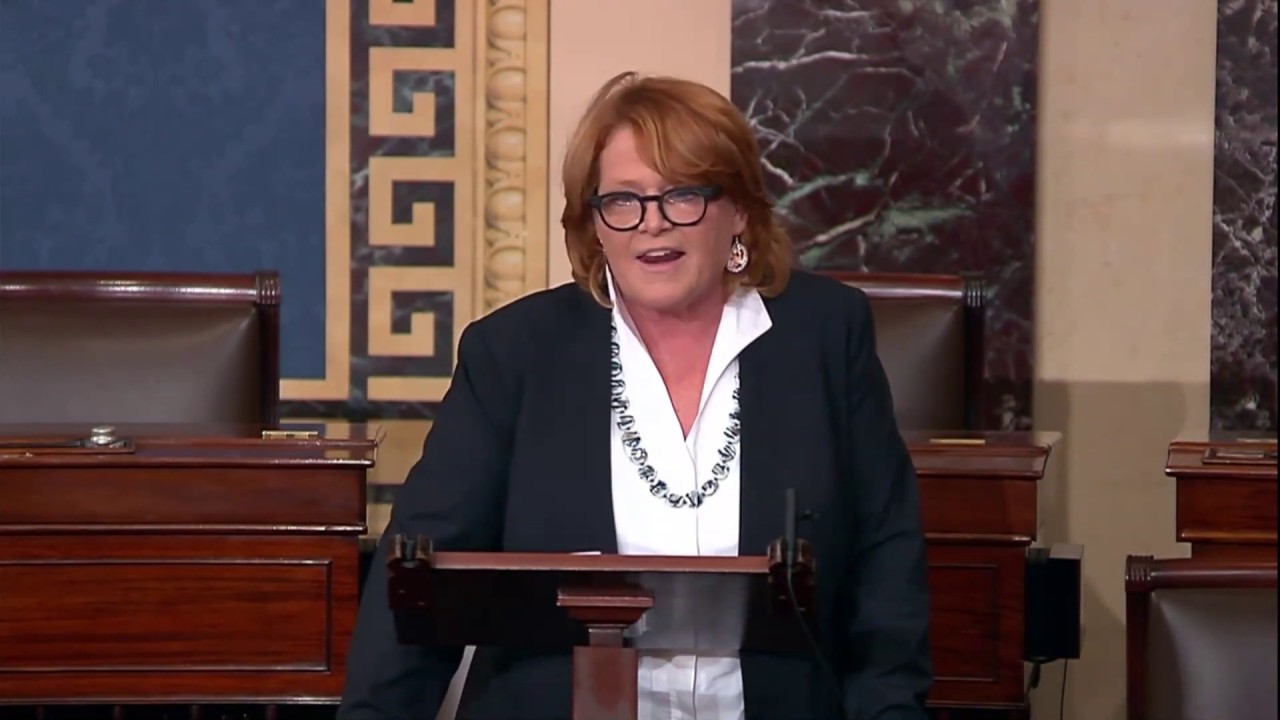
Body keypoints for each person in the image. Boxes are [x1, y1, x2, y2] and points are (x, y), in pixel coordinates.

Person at [338, 71, 931, 720]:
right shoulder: (514, 354)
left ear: (738, 210)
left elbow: (885, 565)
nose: (652, 224)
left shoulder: (825, 336)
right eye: (623, 200)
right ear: (594, 224)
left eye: (681, 195)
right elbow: (423, 578)